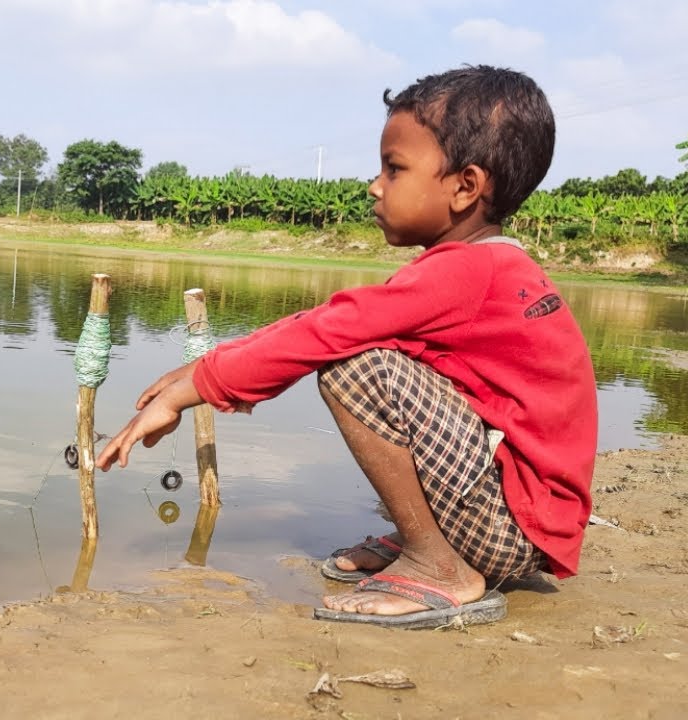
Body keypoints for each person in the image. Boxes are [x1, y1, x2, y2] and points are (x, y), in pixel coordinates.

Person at [95, 65, 598, 629]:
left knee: (355, 367)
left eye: (394, 168)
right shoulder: (489, 264)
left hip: (516, 531)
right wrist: (209, 366)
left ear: (465, 187)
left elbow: (329, 334)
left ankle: (440, 565)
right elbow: (334, 317)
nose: (375, 185)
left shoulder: (468, 272)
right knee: (366, 344)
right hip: (531, 524)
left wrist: (194, 389)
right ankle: (438, 541)